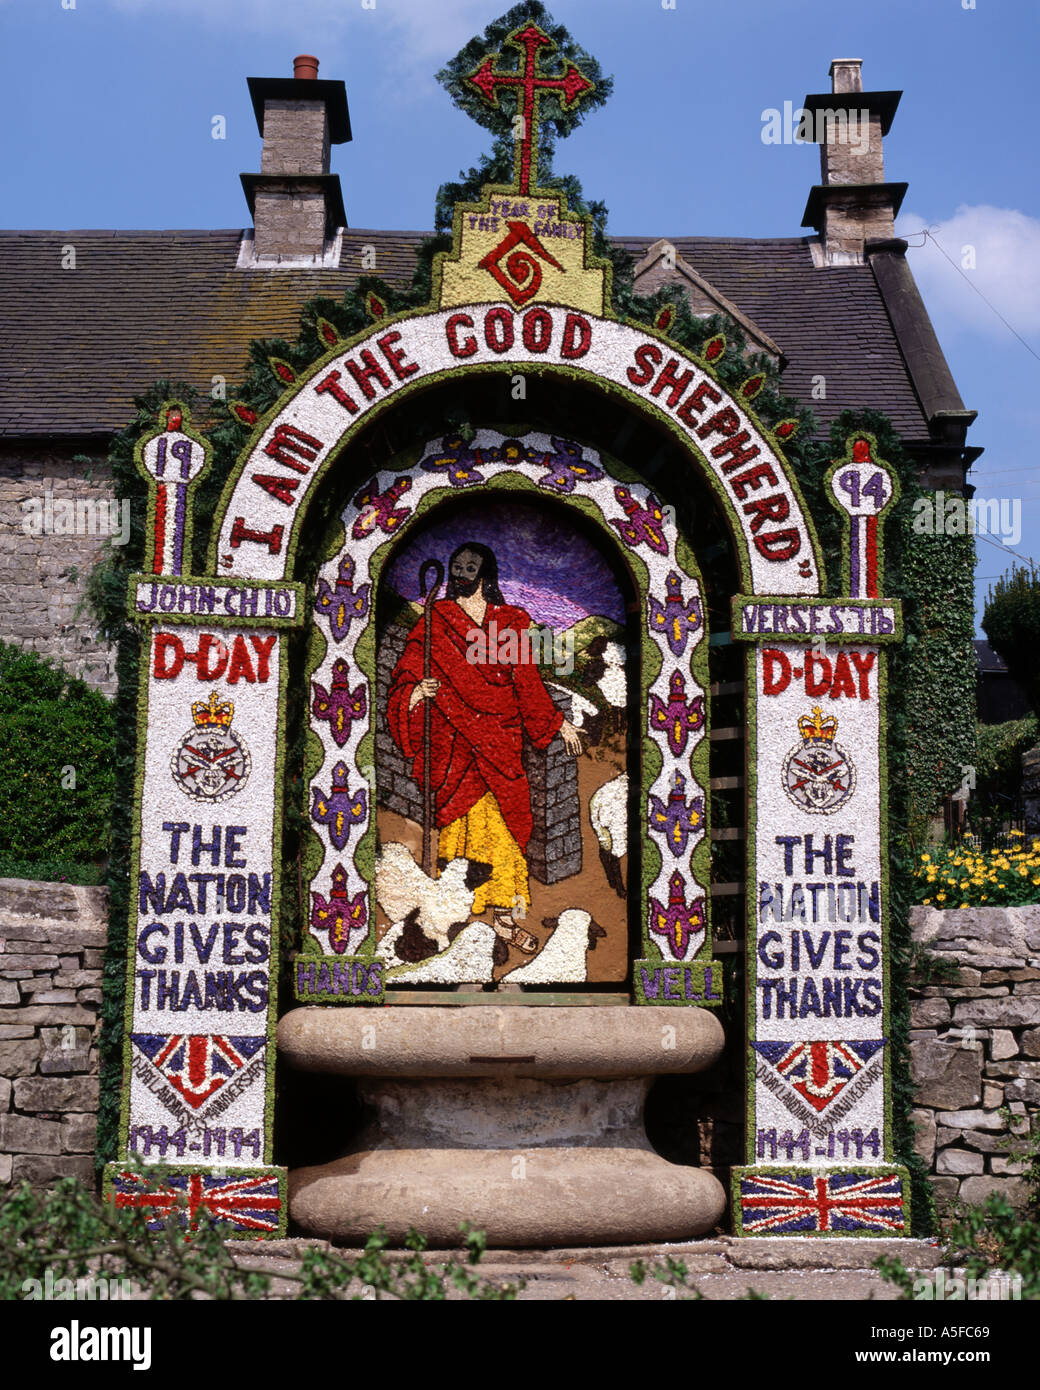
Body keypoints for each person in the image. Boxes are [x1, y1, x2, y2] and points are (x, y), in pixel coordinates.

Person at [387, 542, 582, 959]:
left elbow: (527, 681)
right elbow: (407, 672)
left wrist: (556, 722)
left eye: (470, 566)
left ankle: (506, 921)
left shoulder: (509, 622)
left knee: (506, 833)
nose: (462, 573)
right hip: (454, 745)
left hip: (500, 741)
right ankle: (457, 918)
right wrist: (416, 693)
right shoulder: (437, 619)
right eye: (456, 566)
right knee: (460, 837)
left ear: (485, 573)